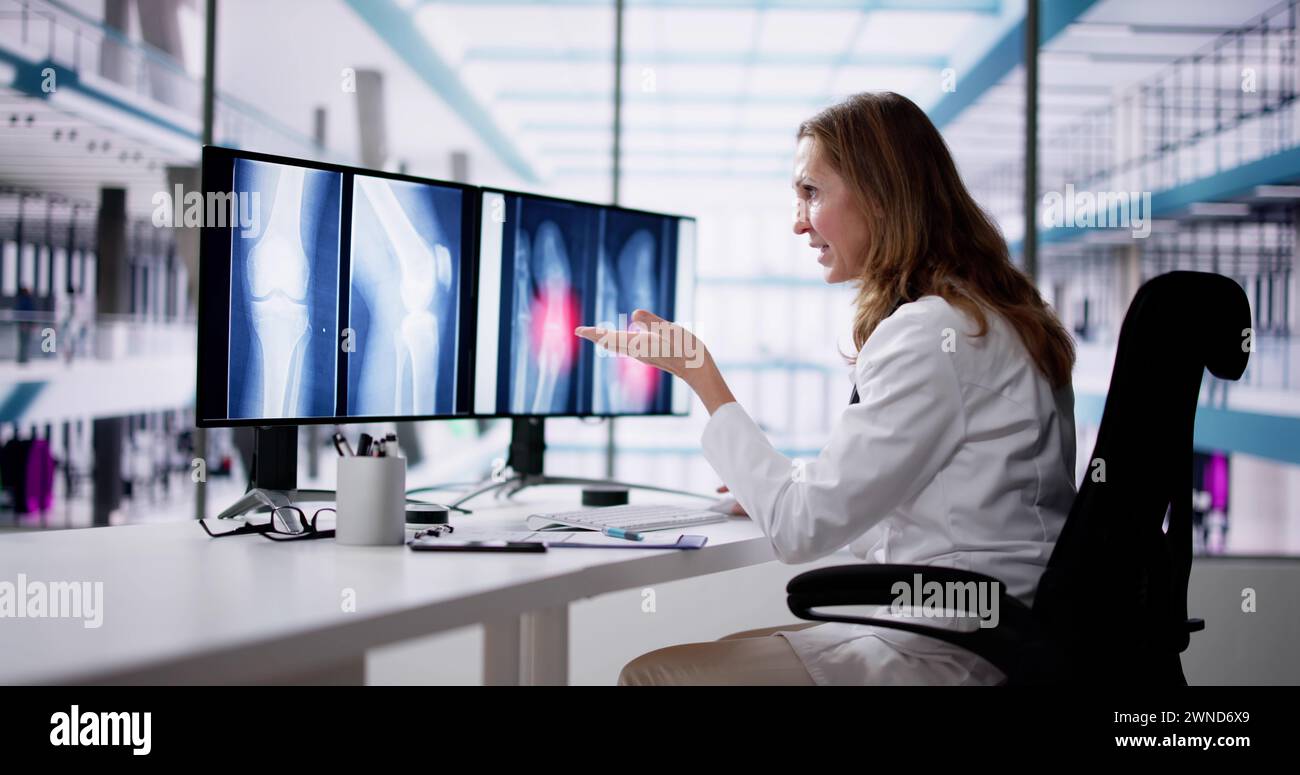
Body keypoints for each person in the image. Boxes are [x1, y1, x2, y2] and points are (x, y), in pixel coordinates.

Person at [575, 91, 1078, 686]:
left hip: (950, 648)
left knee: (656, 675)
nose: (798, 221)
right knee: (722, 653)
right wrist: (769, 488)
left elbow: (799, 528)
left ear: (881, 194)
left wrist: (697, 371)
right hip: (995, 629)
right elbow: (936, 511)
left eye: (811, 192)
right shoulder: (992, 316)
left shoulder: (932, 333)